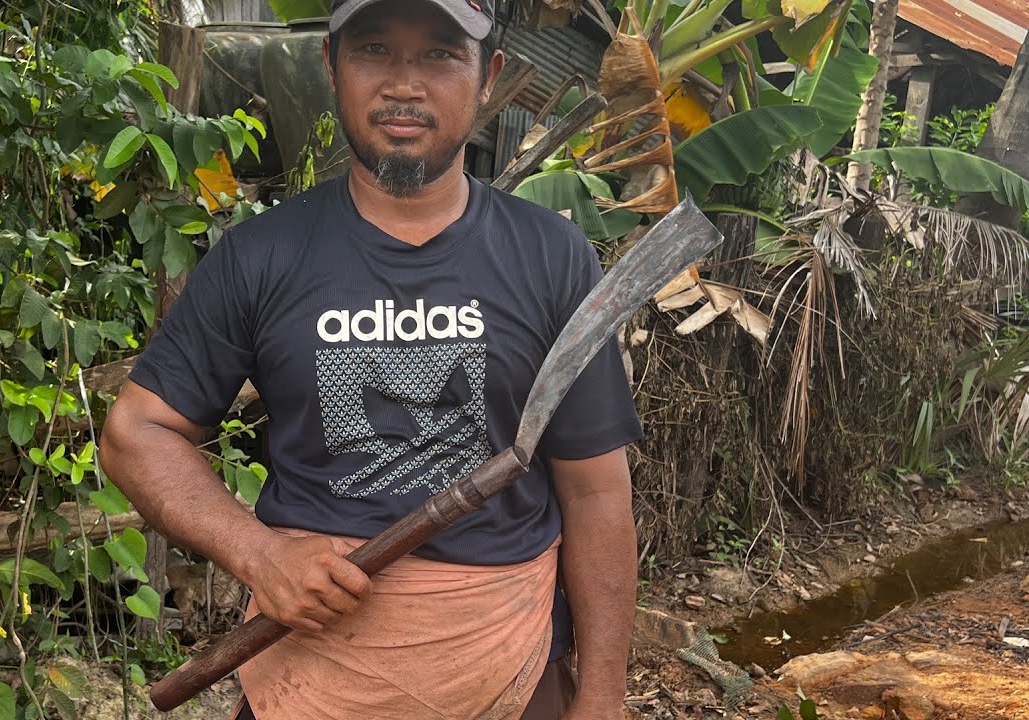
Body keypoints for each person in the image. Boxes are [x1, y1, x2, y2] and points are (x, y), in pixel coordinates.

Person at [98, 0, 644, 717]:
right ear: (332, 66)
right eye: (374, 50)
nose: (404, 85)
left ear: (489, 76)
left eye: (440, 54)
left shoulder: (553, 258)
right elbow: (135, 433)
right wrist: (260, 555)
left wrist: (601, 694)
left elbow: (596, 493)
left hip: (510, 666)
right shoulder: (261, 257)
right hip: (313, 675)